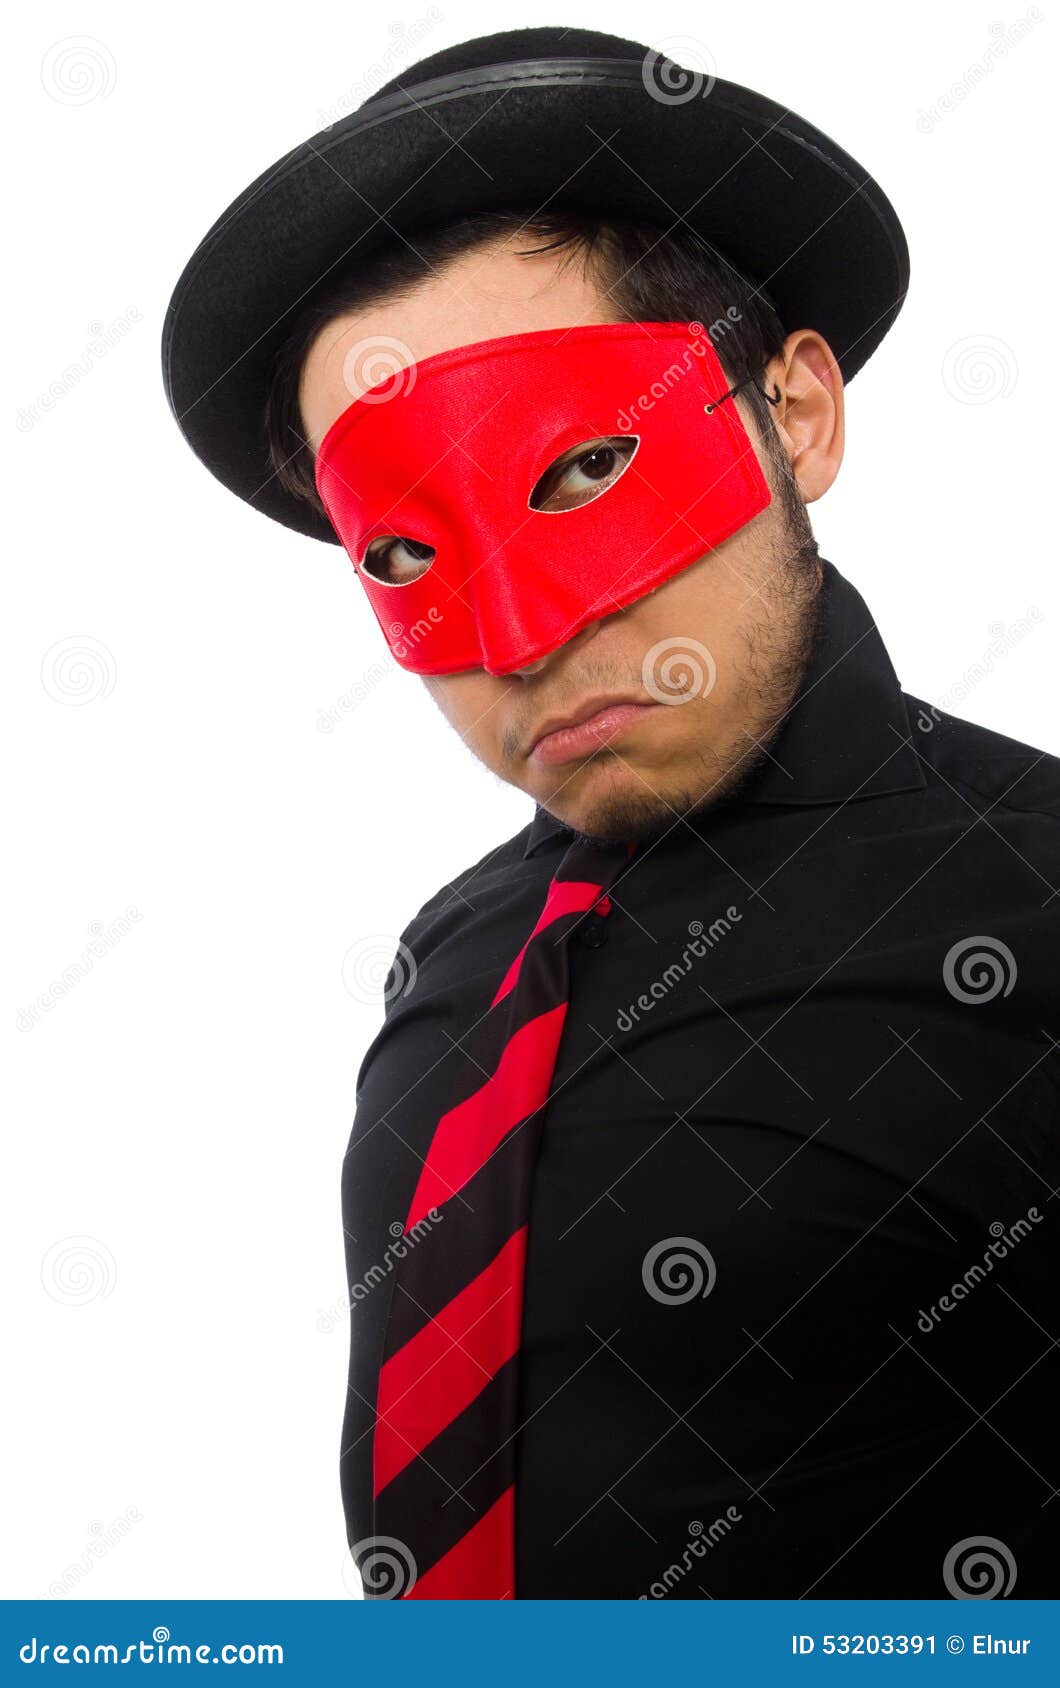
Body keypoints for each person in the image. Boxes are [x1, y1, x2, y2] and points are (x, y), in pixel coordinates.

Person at [162, 25, 1059, 1599]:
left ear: (794, 415)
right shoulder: (452, 974)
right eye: (405, 555)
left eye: (579, 471)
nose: (519, 638)